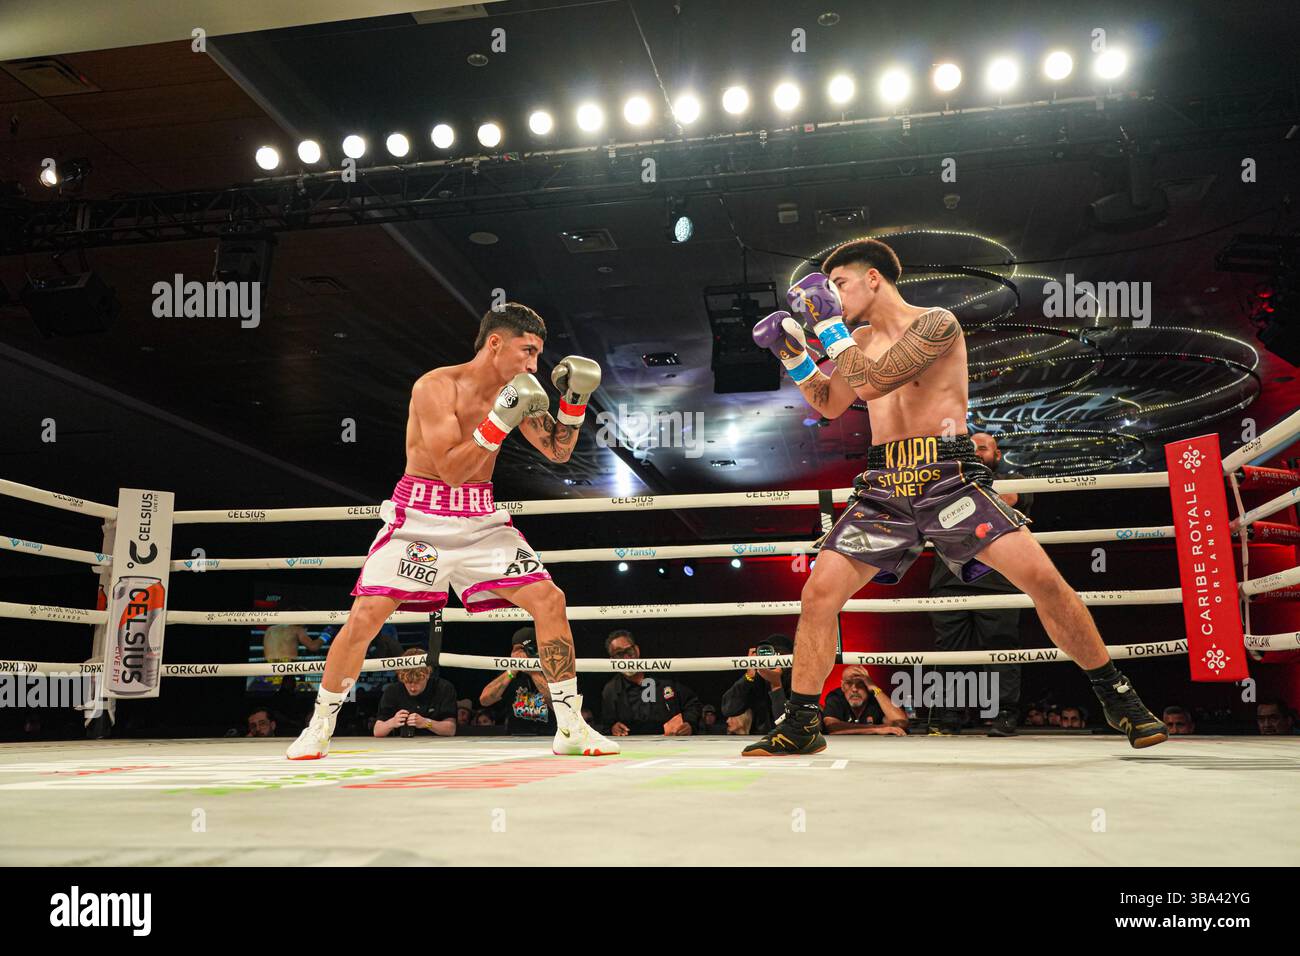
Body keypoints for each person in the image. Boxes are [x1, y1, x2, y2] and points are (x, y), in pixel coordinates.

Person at [745, 238, 1167, 755]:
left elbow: (875, 384)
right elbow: (833, 404)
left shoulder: (936, 323)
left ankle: (1118, 697)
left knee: (1043, 580)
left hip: (948, 476)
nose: (829, 296)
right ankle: (802, 724)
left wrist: (828, 330)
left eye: (839, 284)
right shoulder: (857, 339)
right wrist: (794, 358)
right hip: (884, 484)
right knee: (818, 594)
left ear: (874, 278)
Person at [287, 302, 618, 758]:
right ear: (495, 342)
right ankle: (319, 726)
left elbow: (558, 451)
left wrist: (574, 400)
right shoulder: (436, 386)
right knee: (366, 617)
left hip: (480, 518)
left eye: (538, 355)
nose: (532, 365)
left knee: (549, 600)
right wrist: (502, 417)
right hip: (419, 518)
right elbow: (453, 468)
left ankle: (570, 727)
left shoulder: (519, 390)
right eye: (527, 351)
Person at [927, 432, 1030, 736]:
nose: (975, 451)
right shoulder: (943, 482)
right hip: (949, 579)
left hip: (998, 581)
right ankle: (947, 714)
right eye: (969, 448)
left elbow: (1007, 500)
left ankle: (1005, 714)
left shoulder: (1014, 479)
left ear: (997, 456)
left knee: (1001, 647)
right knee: (950, 651)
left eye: (982, 448)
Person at [600, 630, 701, 736]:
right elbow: (606, 725)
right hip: (633, 748)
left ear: (637, 650)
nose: (626, 659)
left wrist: (689, 724)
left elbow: (693, 704)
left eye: (629, 651)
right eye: (619, 654)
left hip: (671, 745)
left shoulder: (666, 677)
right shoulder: (611, 690)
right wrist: (613, 729)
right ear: (612, 661)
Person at [477, 627, 558, 735]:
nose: (521, 654)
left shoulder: (552, 670)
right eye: (517, 650)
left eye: (523, 649)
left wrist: (533, 671)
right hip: (515, 738)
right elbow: (485, 700)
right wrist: (512, 671)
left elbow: (559, 705)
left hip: (549, 736)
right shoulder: (509, 675)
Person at [373, 649, 457, 738]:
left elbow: (451, 729)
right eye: (408, 682)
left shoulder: (443, 688)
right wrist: (392, 722)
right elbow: (377, 731)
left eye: (417, 682)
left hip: (437, 745)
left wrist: (426, 723)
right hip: (401, 746)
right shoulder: (392, 691)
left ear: (427, 674)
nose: (412, 688)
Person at [721, 634, 793, 735]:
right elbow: (728, 709)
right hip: (760, 741)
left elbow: (788, 726)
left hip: (789, 743)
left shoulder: (798, 682)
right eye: (773, 656)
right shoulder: (757, 680)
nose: (777, 661)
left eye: (781, 656)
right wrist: (748, 677)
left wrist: (776, 685)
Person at [821, 666, 909, 735]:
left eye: (860, 683)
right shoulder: (836, 697)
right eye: (849, 683)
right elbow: (832, 727)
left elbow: (901, 723)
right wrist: (877, 729)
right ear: (843, 686)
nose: (854, 689)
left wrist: (875, 688)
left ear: (867, 685)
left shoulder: (876, 698)